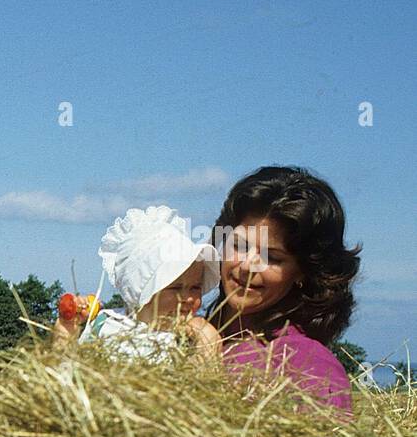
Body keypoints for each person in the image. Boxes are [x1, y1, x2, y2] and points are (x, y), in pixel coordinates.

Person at [205, 166, 361, 419]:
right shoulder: (184, 336)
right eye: (239, 245)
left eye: (272, 257)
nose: (247, 266)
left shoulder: (309, 366)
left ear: (303, 272)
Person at [53, 205, 222, 364]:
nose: (189, 298)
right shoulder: (105, 324)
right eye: (175, 287)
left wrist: (208, 341)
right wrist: (66, 328)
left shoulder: (187, 342)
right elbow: (67, 374)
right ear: (141, 289)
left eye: (196, 287)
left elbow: (200, 387)